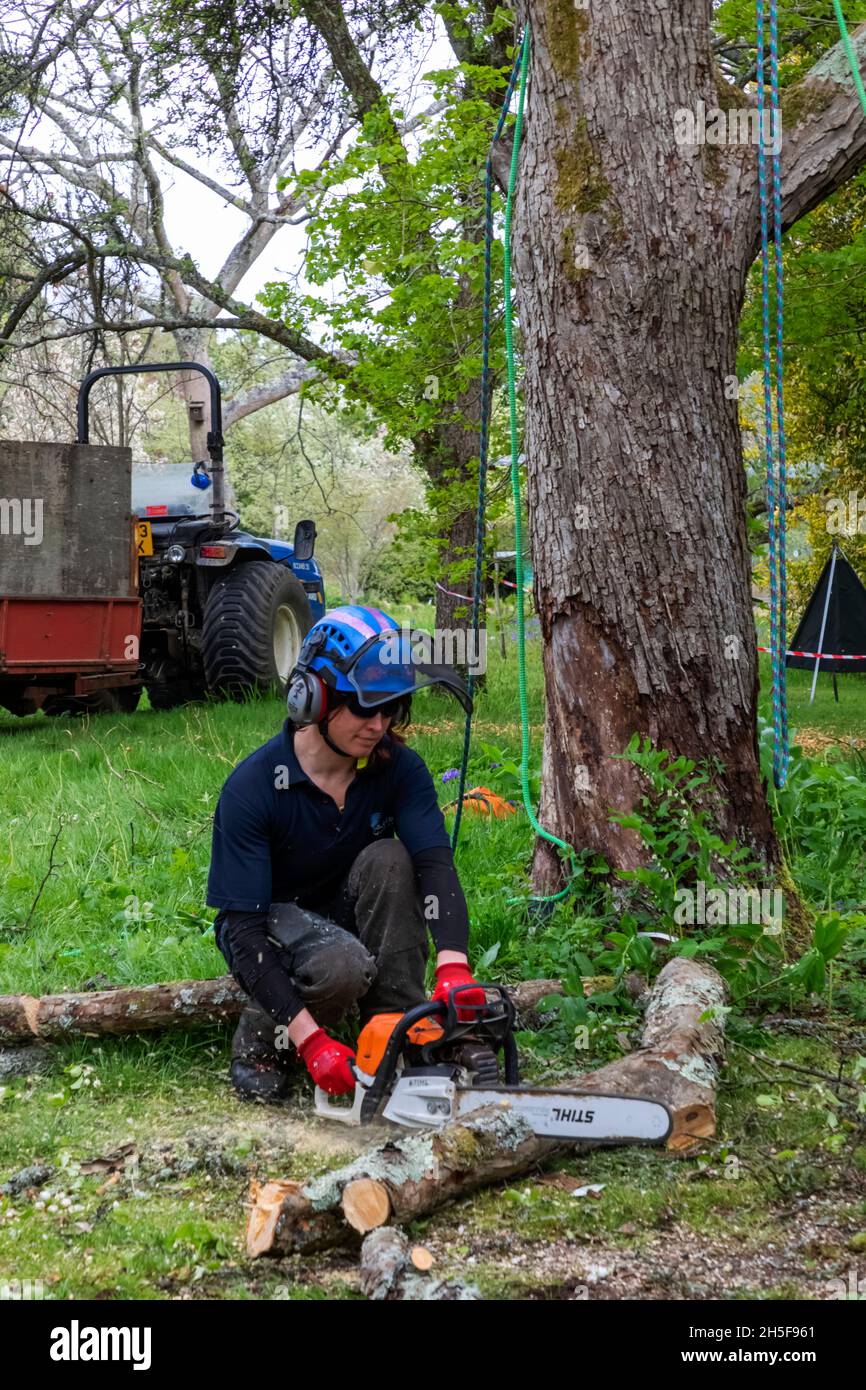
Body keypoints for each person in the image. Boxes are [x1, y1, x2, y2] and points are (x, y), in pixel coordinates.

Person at [206, 604, 485, 1102]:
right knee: (341, 964)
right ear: (312, 698)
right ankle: (262, 1044)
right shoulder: (252, 788)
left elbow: (433, 864)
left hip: (342, 909)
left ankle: (396, 1023)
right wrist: (311, 1041)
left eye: (391, 708)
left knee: (392, 858)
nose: (378, 725)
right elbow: (241, 929)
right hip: (267, 922)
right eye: (364, 707)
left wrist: (453, 965)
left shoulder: (398, 770)